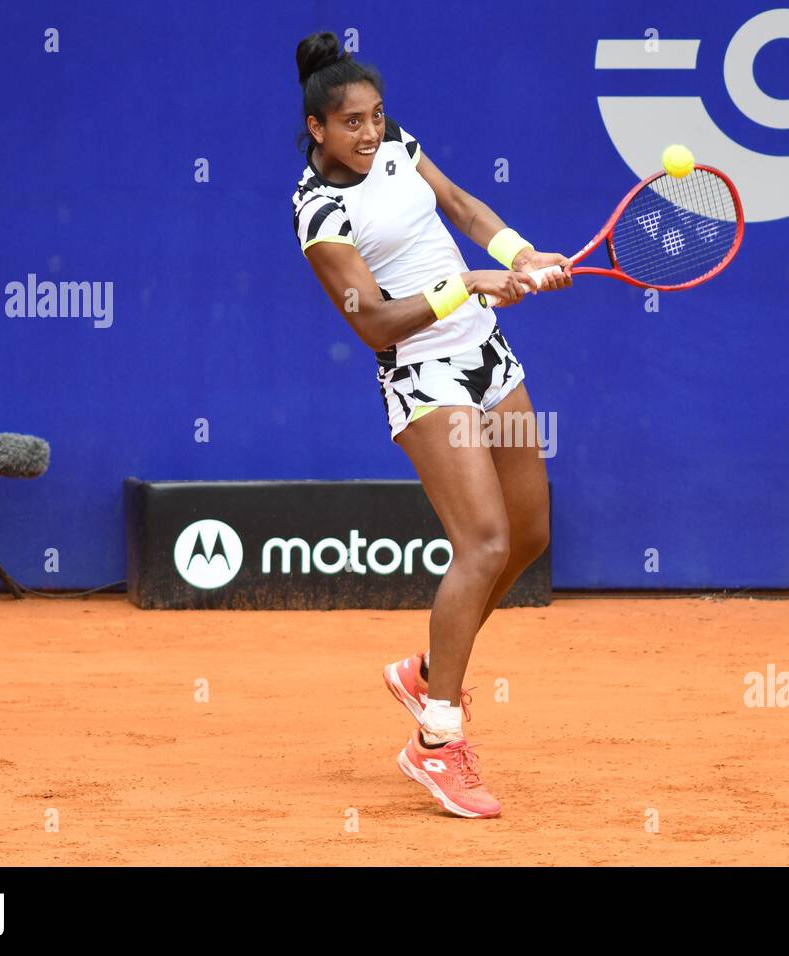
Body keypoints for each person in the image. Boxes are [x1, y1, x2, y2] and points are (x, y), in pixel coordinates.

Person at [291, 31, 571, 818]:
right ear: (317, 128)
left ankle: (423, 673)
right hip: (424, 379)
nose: (371, 133)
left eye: (376, 117)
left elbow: (461, 207)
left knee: (529, 534)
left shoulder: (398, 148)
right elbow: (375, 324)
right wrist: (468, 284)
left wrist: (518, 254)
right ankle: (437, 741)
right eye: (352, 123)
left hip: (490, 358)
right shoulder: (317, 211)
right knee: (481, 540)